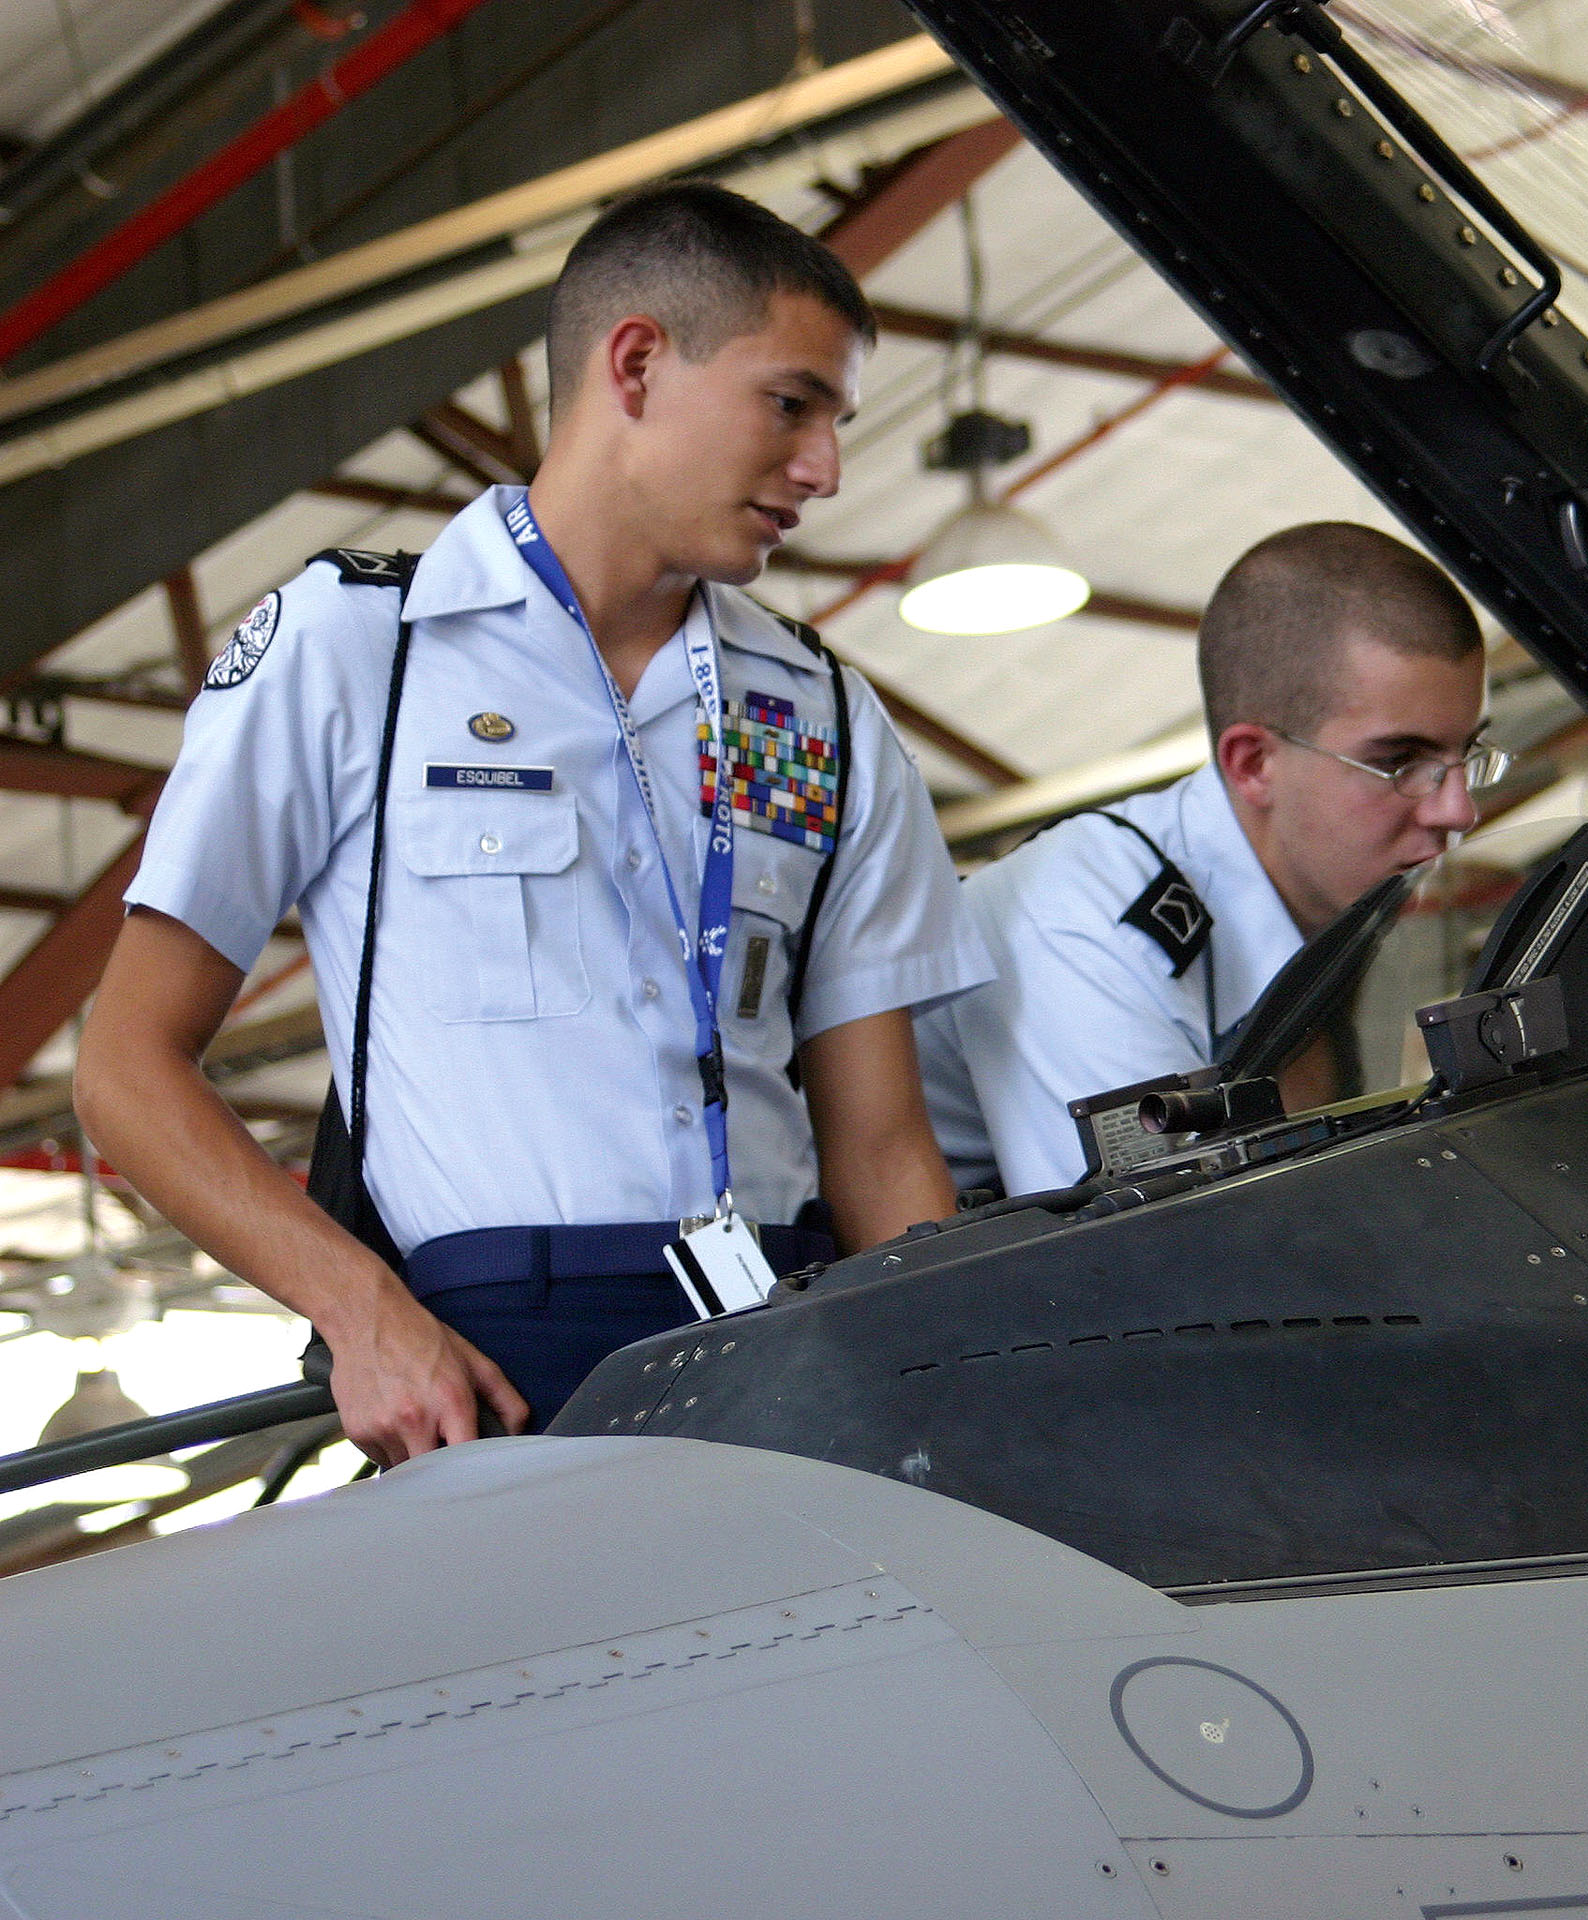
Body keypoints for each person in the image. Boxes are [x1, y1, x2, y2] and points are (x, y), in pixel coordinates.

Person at [76, 184, 967, 1463]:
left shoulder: (821, 709)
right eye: (792, 403)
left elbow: (881, 1147)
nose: (825, 469)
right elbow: (124, 1065)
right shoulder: (359, 648)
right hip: (492, 1366)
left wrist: (945, 1403)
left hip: (797, 1341)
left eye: (838, 420)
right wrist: (360, 1313)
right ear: (639, 362)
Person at [918, 522, 1496, 1196]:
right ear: (1253, 765)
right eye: (1399, 760)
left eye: (1469, 756)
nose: (1457, 811)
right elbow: (1156, 1254)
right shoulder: (1087, 926)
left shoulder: (1344, 921)